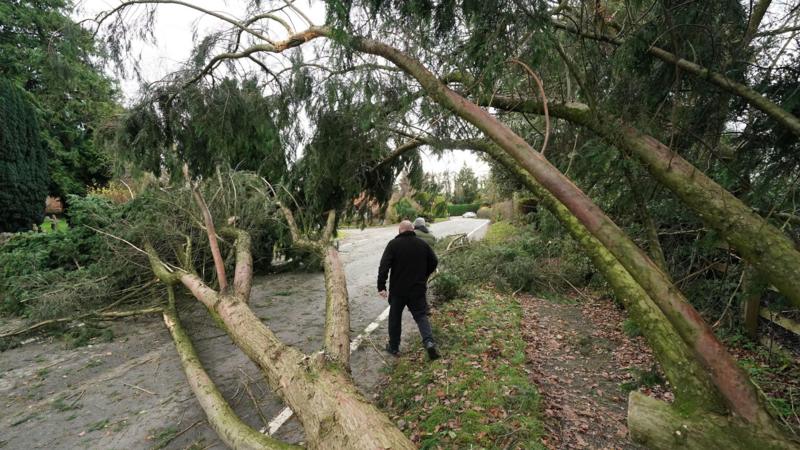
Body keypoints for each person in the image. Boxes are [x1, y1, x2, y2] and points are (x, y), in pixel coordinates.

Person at [378, 220, 440, 360]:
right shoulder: (422, 244)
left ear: (400, 230)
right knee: (420, 316)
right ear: (412, 229)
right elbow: (434, 261)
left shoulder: (393, 244)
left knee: (395, 318)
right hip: (417, 289)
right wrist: (424, 275)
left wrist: (381, 286)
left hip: (398, 290)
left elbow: (384, 266)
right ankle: (429, 342)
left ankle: (394, 347)